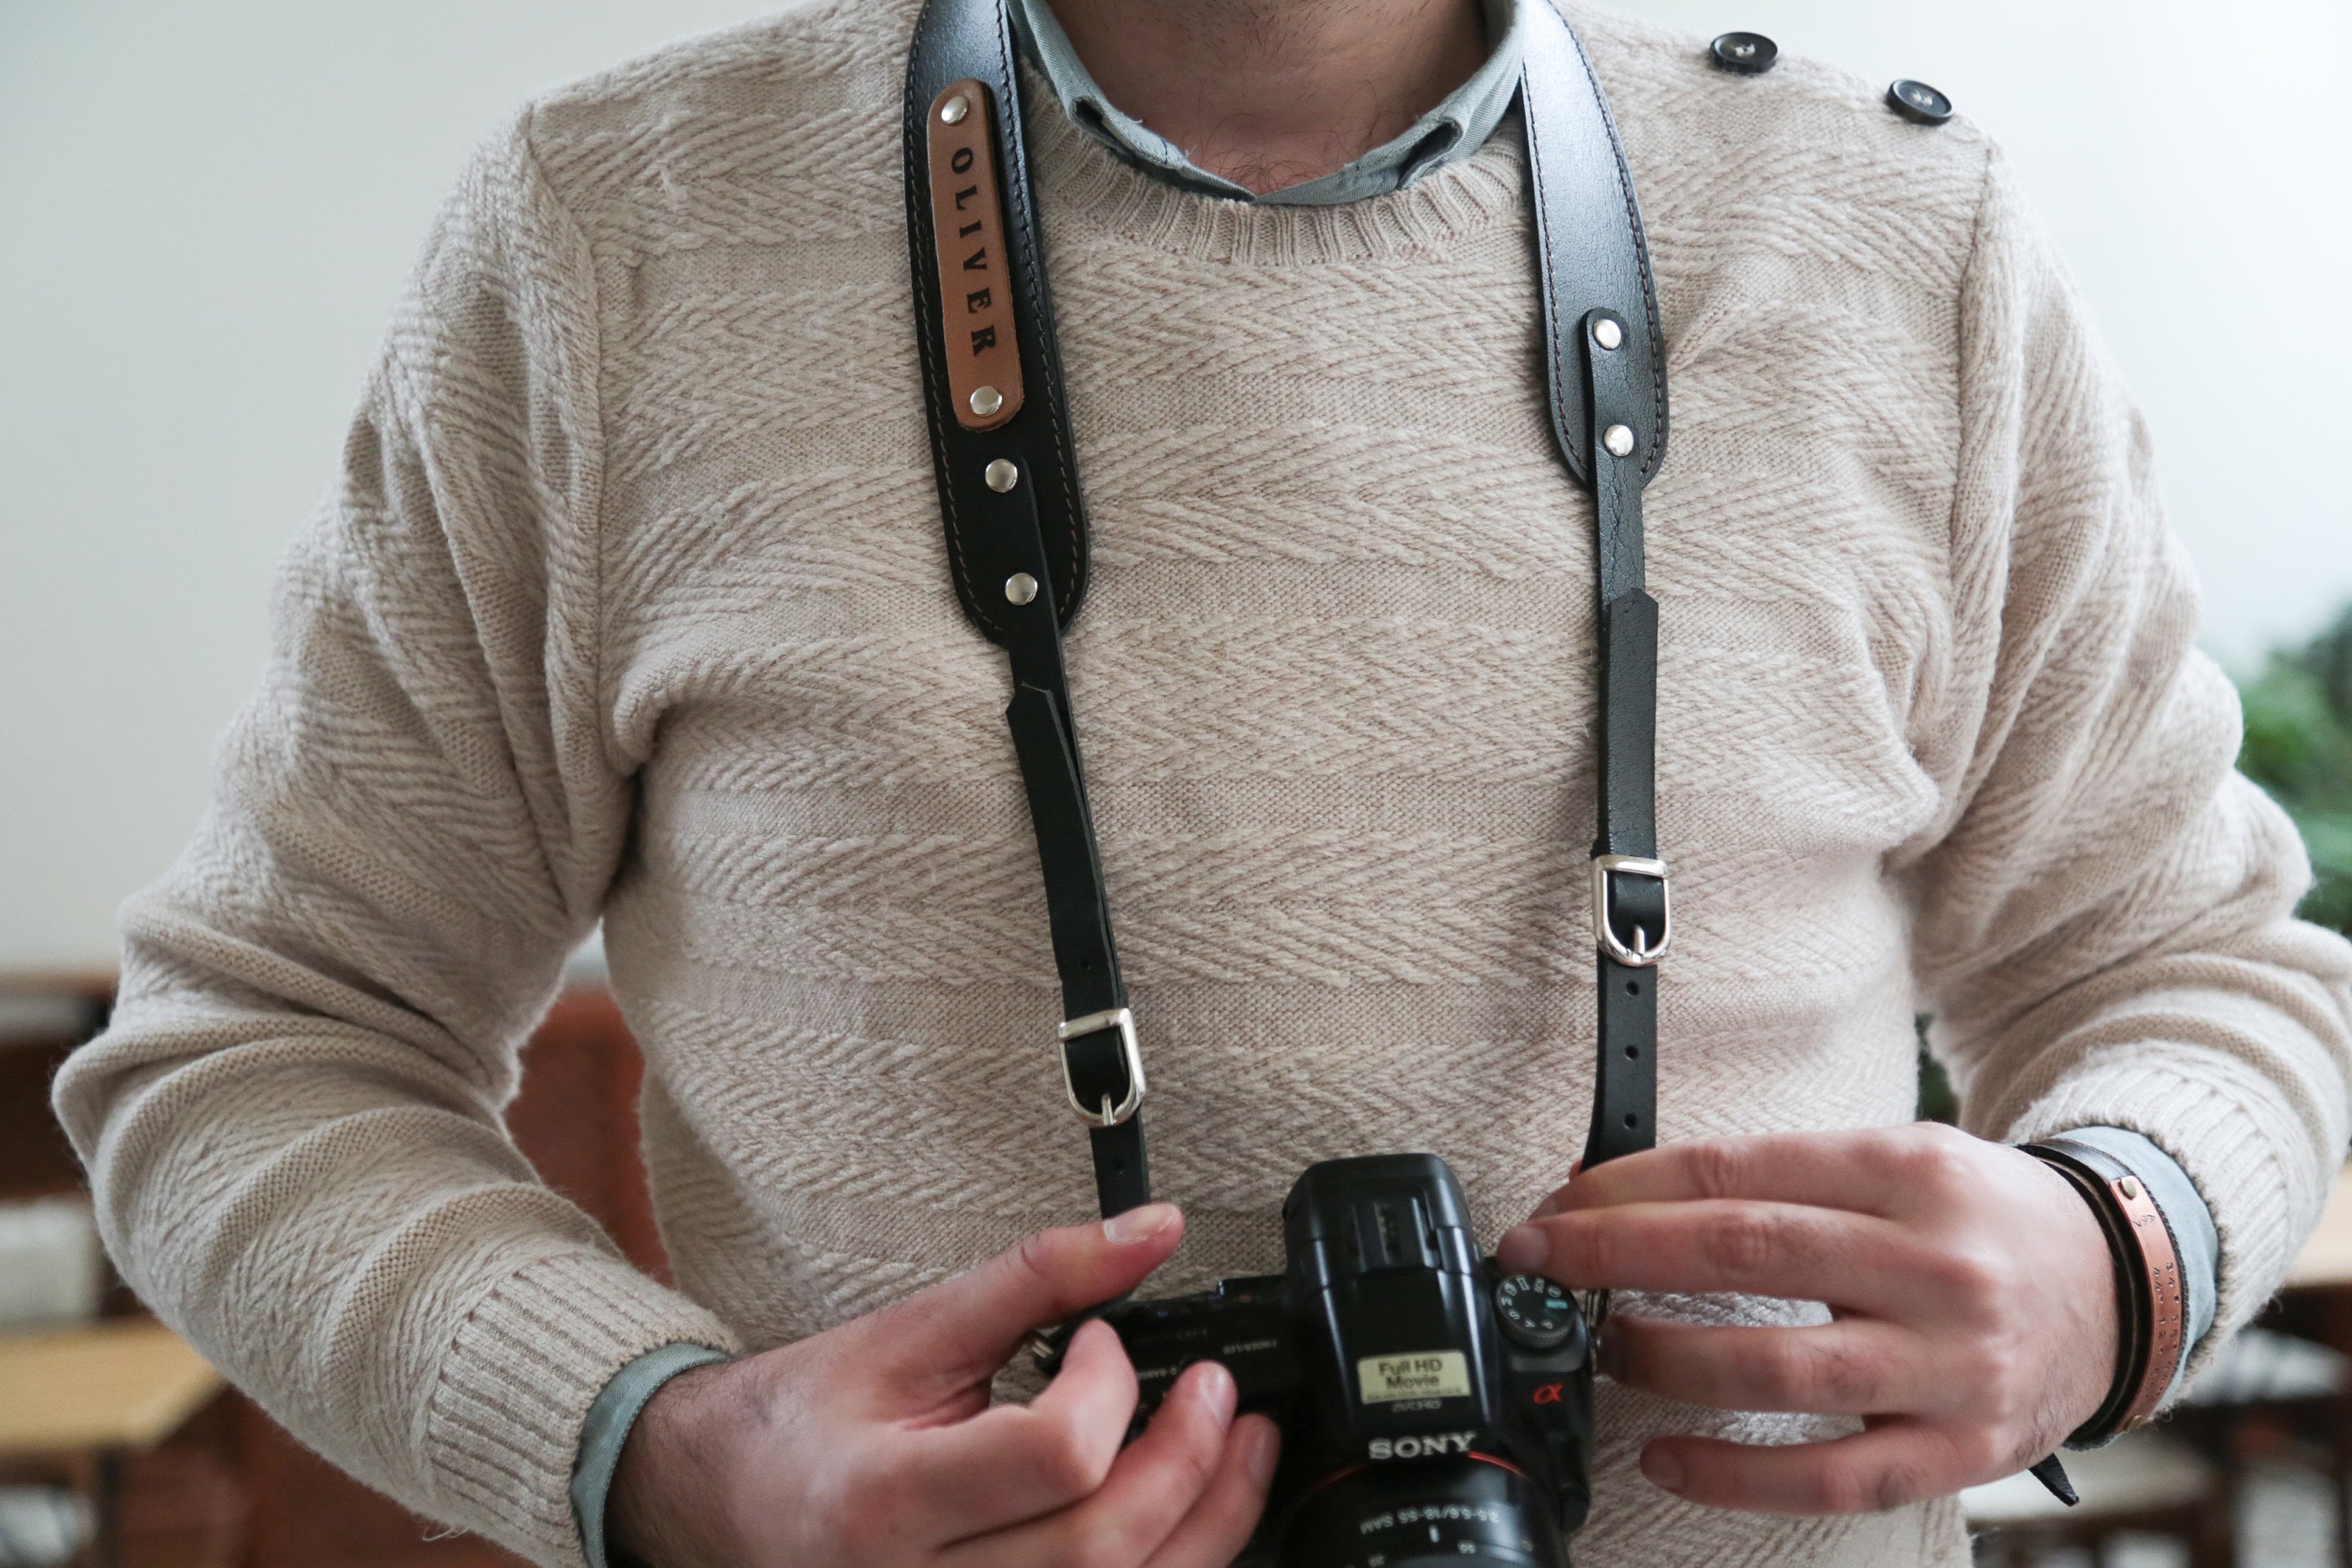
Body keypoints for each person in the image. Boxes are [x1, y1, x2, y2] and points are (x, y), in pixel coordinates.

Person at [53, 0, 2352, 1561]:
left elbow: (2203, 976)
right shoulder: (612, 238)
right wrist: (660, 1453)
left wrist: (2116, 1255)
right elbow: (256, 1053)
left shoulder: (1905, 237)